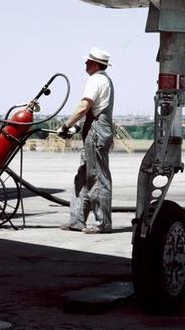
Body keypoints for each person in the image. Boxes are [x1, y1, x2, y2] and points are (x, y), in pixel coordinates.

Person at [59, 47, 114, 234]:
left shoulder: (96, 80)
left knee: (97, 178)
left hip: (96, 134)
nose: (85, 63)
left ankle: (103, 224)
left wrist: (66, 125)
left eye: (88, 61)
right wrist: (76, 128)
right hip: (94, 131)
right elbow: (92, 112)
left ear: (96, 65)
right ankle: (77, 221)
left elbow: (84, 107)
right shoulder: (103, 80)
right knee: (82, 177)